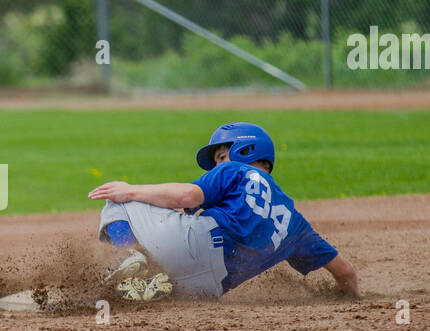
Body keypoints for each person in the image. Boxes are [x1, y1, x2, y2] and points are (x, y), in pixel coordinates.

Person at [88, 121, 359, 301]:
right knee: (154, 293)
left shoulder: (236, 170)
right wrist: (348, 298)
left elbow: (186, 196)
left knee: (116, 202)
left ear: (245, 151)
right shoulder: (296, 224)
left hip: (198, 243)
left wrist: (130, 190)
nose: (218, 165)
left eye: (220, 157)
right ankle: (148, 283)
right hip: (205, 289)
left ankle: (130, 257)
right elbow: (346, 272)